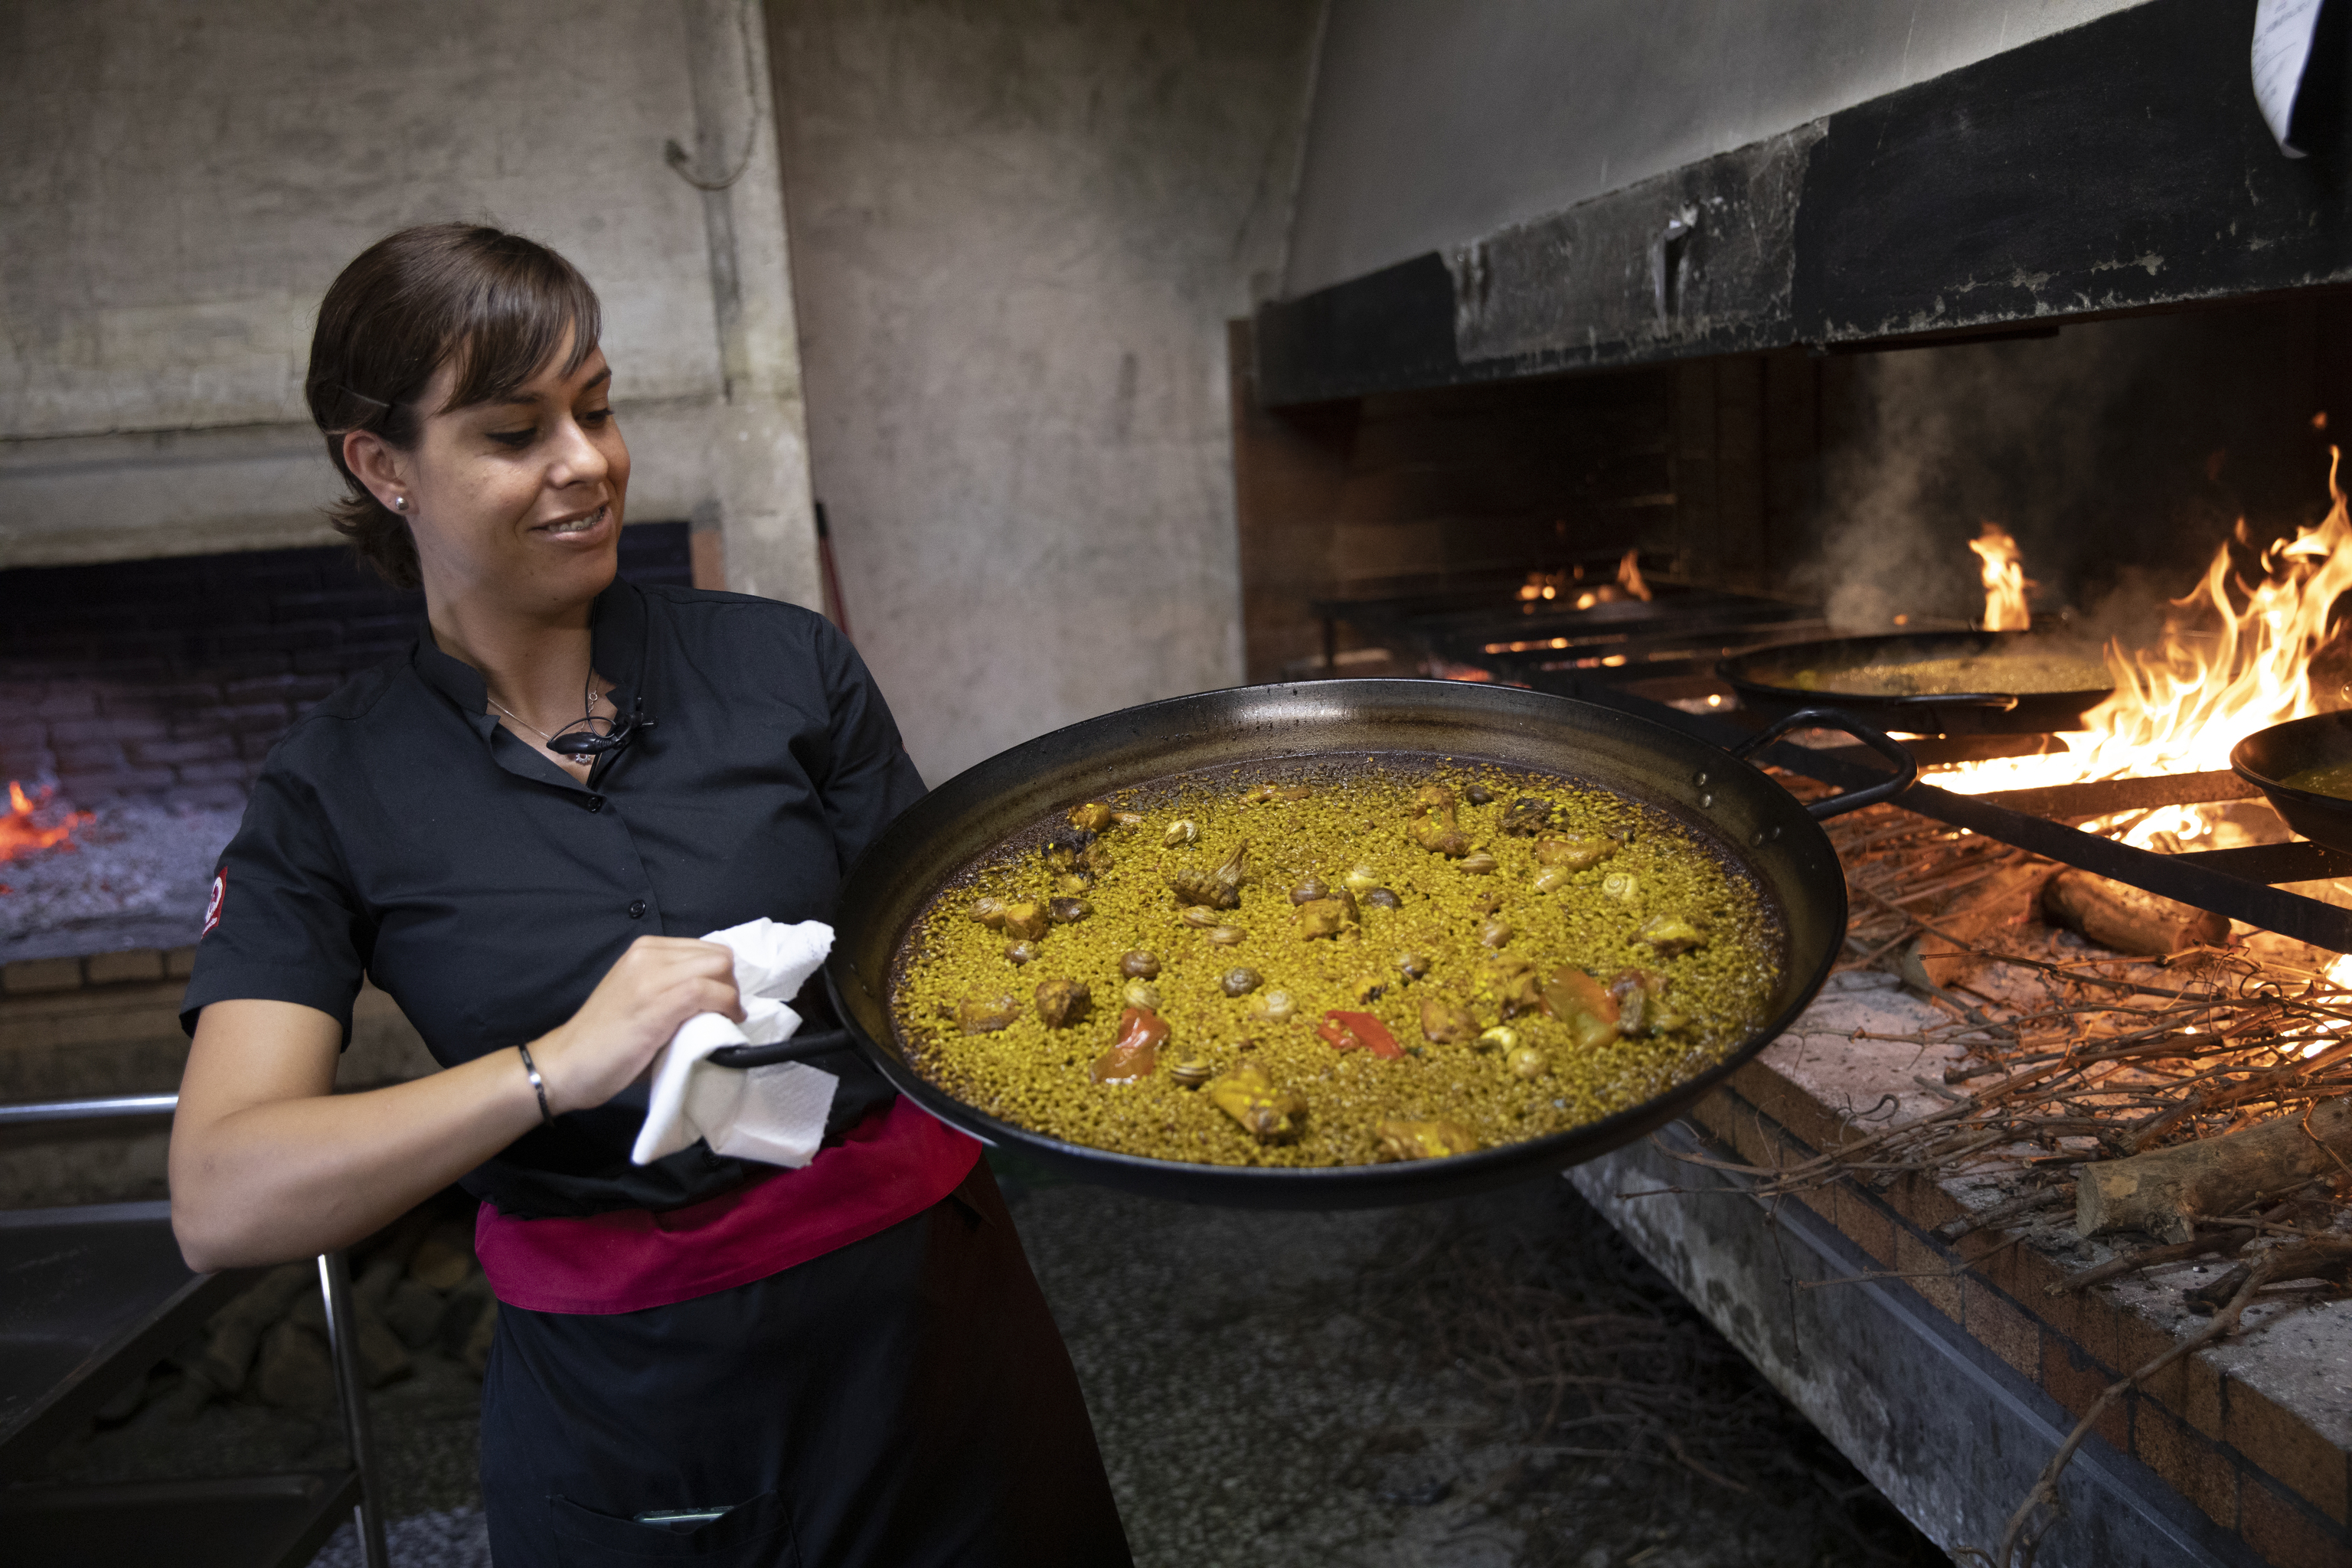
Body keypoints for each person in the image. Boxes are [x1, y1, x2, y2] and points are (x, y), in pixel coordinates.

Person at [168, 223, 1131, 1566]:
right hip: (631, 1415)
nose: (587, 464)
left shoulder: (787, 668)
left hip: (930, 1333)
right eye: (514, 432)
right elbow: (224, 1199)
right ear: (383, 466)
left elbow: (968, 971)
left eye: (598, 409)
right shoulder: (333, 791)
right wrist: (558, 1065)